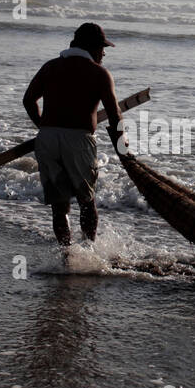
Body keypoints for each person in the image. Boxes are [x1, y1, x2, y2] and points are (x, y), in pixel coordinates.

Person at [22, 22, 122, 245]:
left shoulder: (50, 67)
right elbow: (115, 116)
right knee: (87, 201)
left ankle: (67, 255)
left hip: (47, 139)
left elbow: (28, 100)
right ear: (91, 47)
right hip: (78, 140)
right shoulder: (99, 73)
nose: (104, 53)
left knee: (60, 205)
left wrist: (43, 127)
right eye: (101, 48)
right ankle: (88, 253)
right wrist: (123, 149)